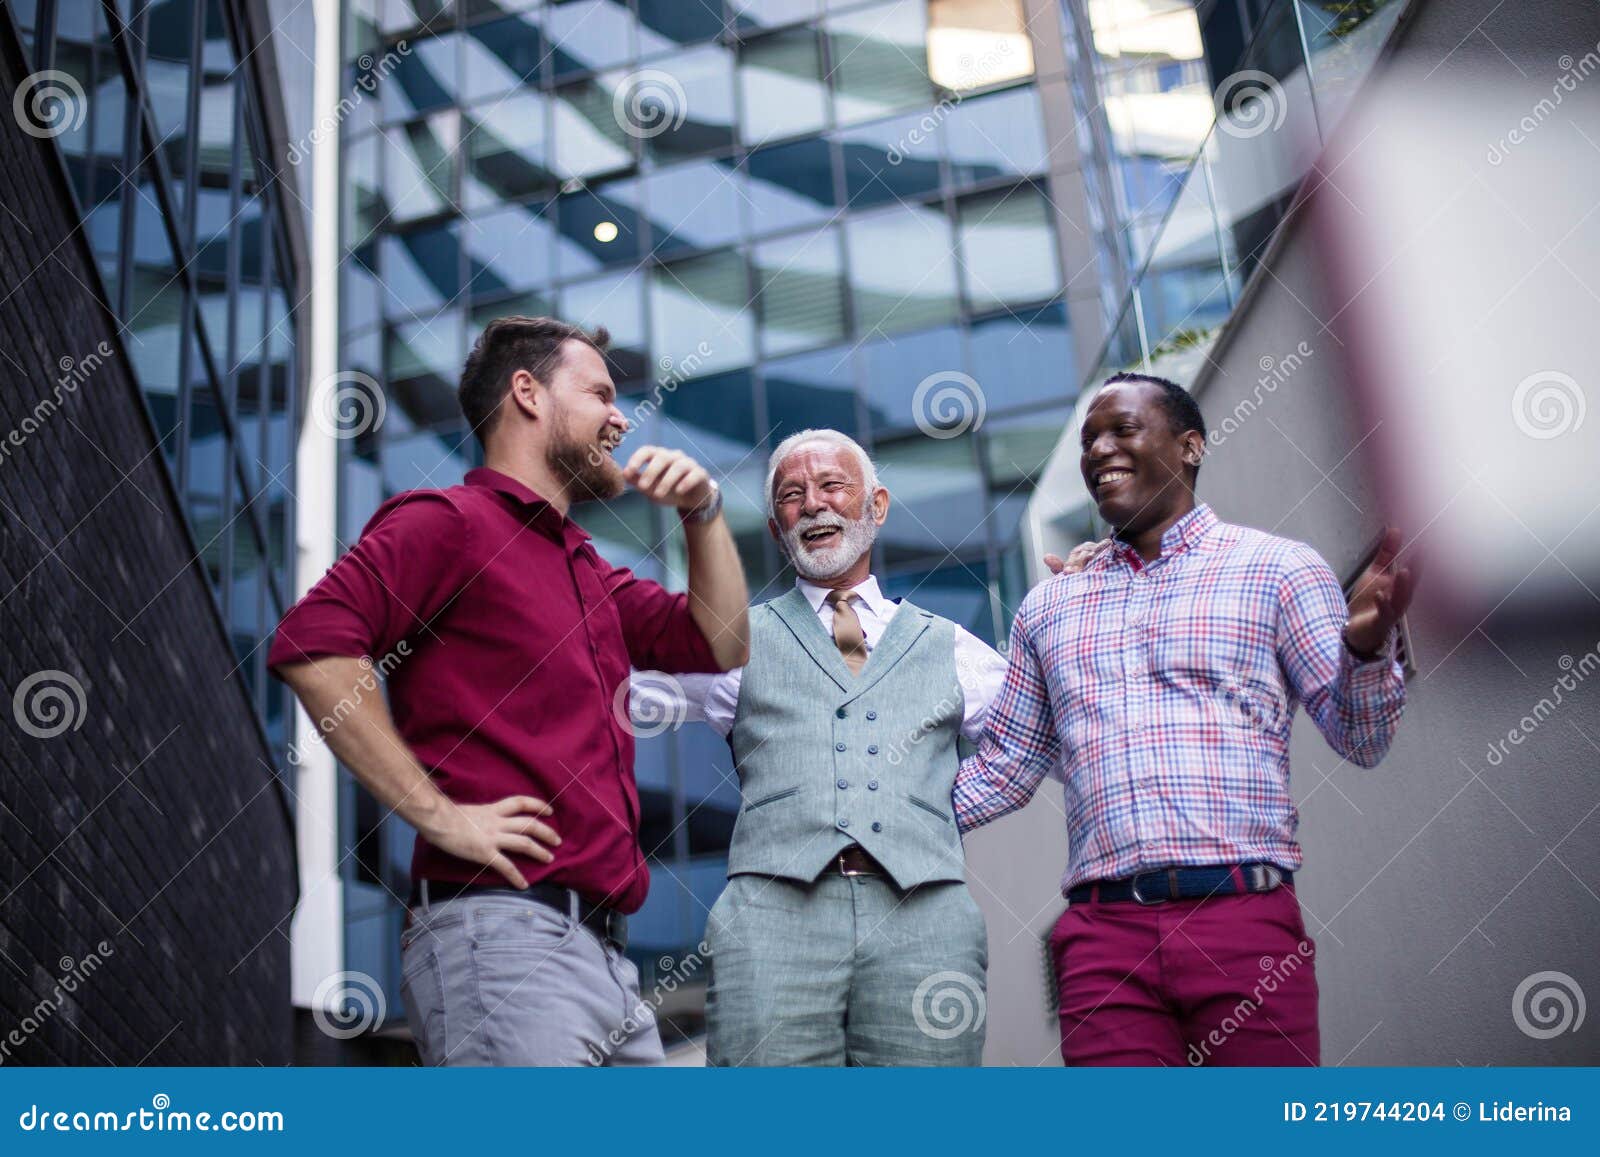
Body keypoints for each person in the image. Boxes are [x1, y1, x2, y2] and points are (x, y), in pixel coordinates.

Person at [269, 317, 749, 1066]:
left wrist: (704, 514)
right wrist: (438, 815)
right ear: (527, 393)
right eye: (599, 392)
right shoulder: (448, 523)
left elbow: (720, 642)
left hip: (610, 965)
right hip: (502, 940)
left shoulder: (589, 569)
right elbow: (313, 645)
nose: (620, 417)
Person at [953, 371, 1414, 1066]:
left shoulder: (1278, 570)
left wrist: (1366, 647)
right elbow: (1004, 768)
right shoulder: (1050, 609)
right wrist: (865, 825)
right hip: (1102, 940)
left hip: (1244, 920)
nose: (1099, 450)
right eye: (1088, 440)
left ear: (1190, 445)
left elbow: (1363, 736)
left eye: (1123, 429)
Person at [637, 429, 1016, 1065]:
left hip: (926, 922)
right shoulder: (731, 640)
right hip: (771, 923)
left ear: (878, 504)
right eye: (793, 495)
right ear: (776, 525)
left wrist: (937, 809)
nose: (813, 504)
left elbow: (1038, 740)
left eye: (832, 486)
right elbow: (607, 686)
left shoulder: (950, 645)